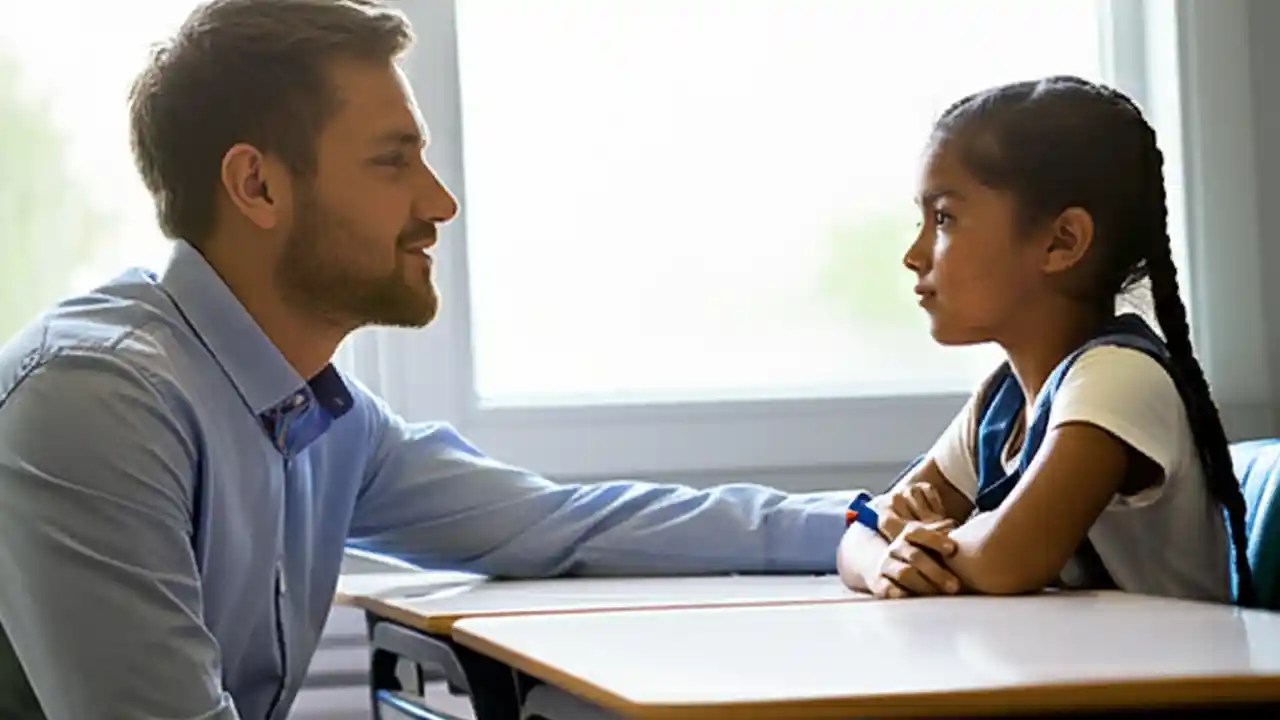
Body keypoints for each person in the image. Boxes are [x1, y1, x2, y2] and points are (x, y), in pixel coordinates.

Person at [0, 2, 859, 718]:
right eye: (392, 162)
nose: (438, 202)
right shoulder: (96, 400)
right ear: (258, 186)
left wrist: (869, 525)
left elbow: (563, 525)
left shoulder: (317, 417)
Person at [836, 76, 1254, 607]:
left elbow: (1010, 557)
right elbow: (861, 529)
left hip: (1171, 689)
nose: (914, 254)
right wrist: (884, 562)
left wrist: (915, 542)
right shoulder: (1001, 405)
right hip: (1076, 681)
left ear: (1062, 242)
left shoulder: (1118, 378)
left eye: (943, 219)